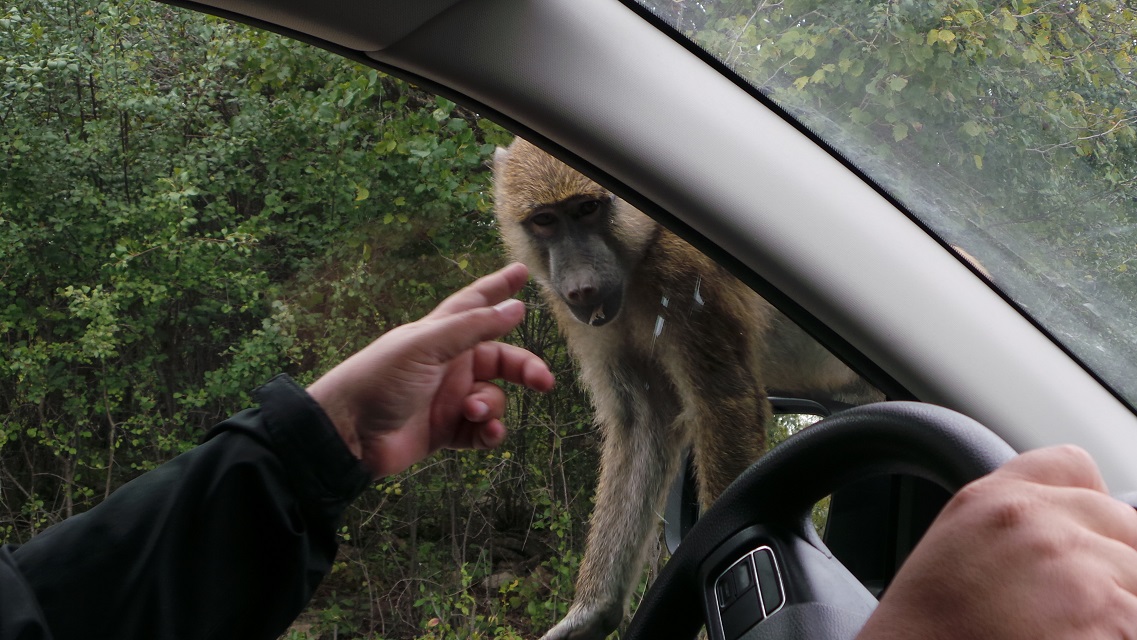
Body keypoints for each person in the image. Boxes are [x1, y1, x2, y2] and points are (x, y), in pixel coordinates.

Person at [2, 263, 1136, 639]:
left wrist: (317, 440)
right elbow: (635, 430)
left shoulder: (682, 279)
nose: (583, 272)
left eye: (593, 222)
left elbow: (720, 416)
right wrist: (600, 598)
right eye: (549, 236)